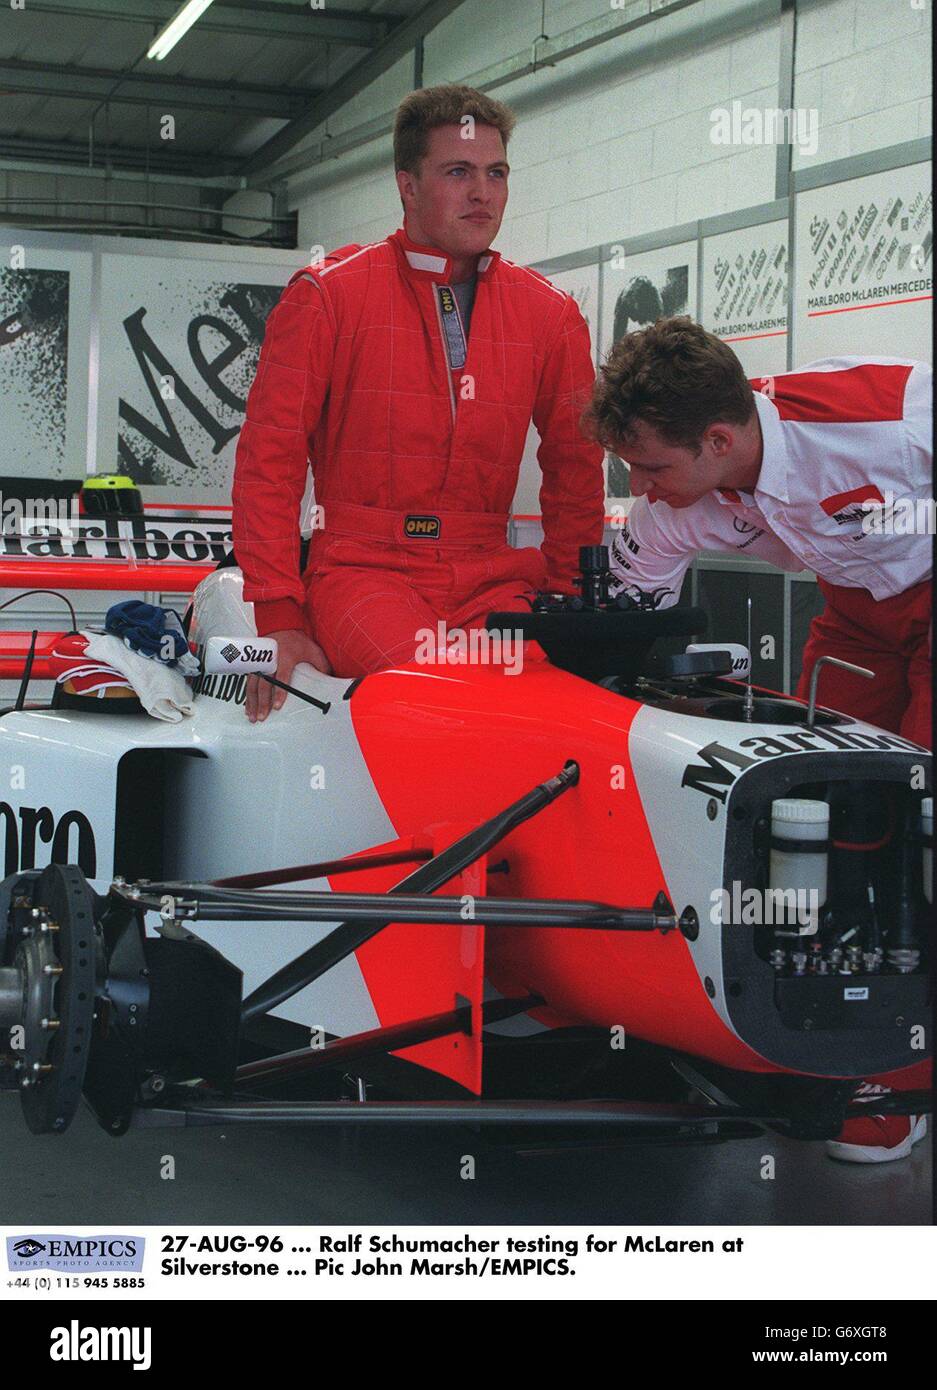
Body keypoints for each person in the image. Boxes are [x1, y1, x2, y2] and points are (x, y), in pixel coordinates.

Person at [584, 316, 932, 1163]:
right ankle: (856, 1049)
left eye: (654, 465)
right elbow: (626, 616)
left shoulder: (887, 411)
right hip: (854, 612)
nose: (642, 484)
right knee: (834, 807)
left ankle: (911, 1084)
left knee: (926, 822)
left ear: (717, 439)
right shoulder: (674, 499)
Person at [232, 83, 605, 720]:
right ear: (407, 184)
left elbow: (575, 470)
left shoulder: (552, 315)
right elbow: (270, 460)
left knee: (549, 698)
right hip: (361, 571)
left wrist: (574, 595)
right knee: (433, 695)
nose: (482, 192)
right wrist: (279, 616)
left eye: (496, 173)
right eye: (458, 172)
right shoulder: (328, 296)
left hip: (493, 575)